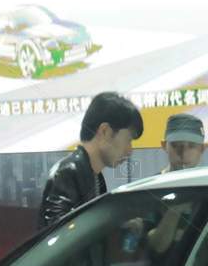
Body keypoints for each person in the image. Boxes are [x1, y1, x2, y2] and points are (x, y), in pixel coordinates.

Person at [37, 91, 141, 229]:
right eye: (128, 140)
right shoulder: (67, 173)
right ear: (105, 131)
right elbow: (57, 235)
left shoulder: (96, 176)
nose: (130, 151)